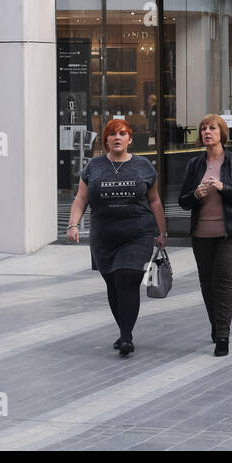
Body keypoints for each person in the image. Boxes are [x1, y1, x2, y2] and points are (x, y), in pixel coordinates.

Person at [66, 119, 167, 357]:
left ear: (130, 139)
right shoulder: (93, 166)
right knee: (112, 283)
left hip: (138, 234)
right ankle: (123, 330)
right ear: (106, 140)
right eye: (112, 134)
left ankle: (126, 337)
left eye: (122, 133)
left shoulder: (144, 166)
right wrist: (73, 224)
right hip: (104, 236)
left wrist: (162, 233)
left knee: (127, 279)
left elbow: (154, 201)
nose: (117, 137)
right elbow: (81, 198)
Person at [177, 114, 232, 357]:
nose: (206, 132)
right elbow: (182, 201)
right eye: (203, 129)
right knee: (207, 284)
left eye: (212, 128)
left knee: (222, 280)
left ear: (222, 133)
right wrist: (196, 195)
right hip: (201, 235)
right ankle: (216, 324)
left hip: (230, 233)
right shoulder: (194, 164)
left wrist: (223, 188)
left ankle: (223, 335)